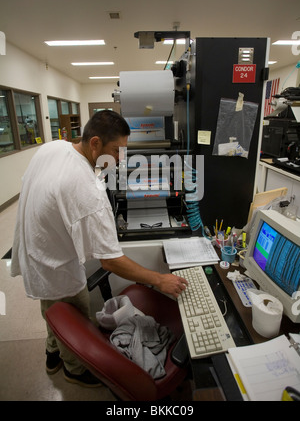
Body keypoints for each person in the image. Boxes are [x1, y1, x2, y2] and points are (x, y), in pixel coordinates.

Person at [11, 110, 188, 388]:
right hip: (55, 263)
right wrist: (160, 279)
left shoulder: (55, 147)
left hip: (37, 245)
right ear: (94, 143)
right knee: (72, 313)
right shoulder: (85, 190)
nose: (120, 159)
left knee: (51, 309)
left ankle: (52, 352)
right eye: (116, 151)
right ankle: (73, 368)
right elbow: (110, 261)